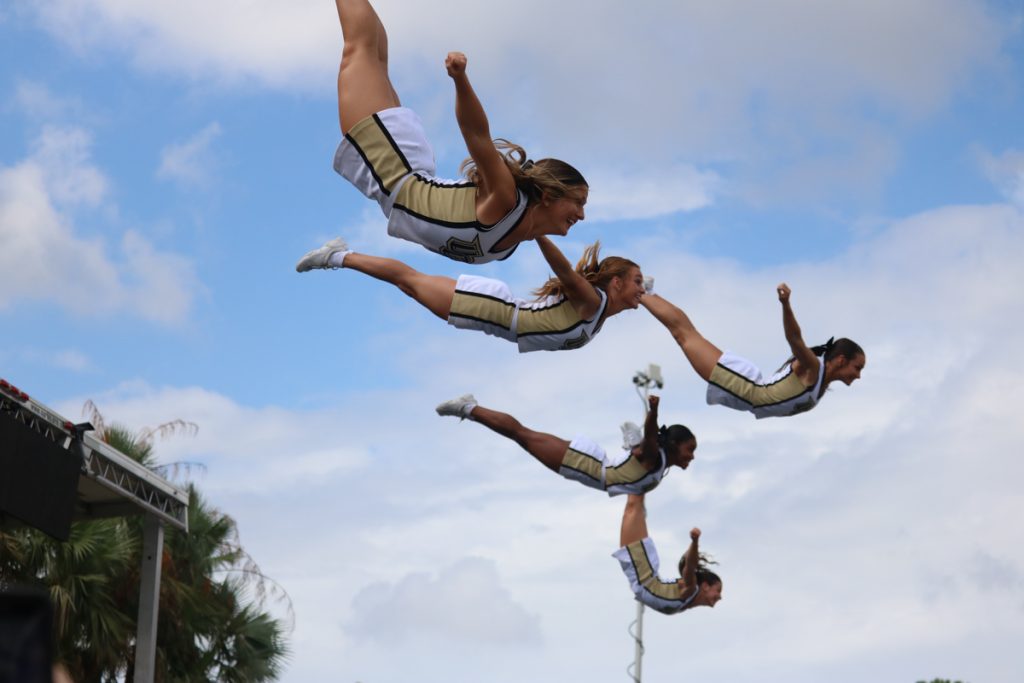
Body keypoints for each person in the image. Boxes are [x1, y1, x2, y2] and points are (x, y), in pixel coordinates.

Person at [329, 0, 588, 264]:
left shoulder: (513, 242)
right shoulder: (504, 197)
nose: (582, 215)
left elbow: (565, 273)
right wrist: (460, 78)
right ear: (548, 196)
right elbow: (476, 135)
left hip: (408, 168)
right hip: (393, 170)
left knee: (372, 54)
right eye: (578, 202)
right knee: (360, 47)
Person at [296, 235, 645, 352]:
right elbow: (565, 271)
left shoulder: (600, 312)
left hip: (495, 318)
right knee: (409, 281)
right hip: (495, 310)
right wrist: (537, 232)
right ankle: (338, 256)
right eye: (637, 281)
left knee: (410, 284)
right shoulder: (593, 301)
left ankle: (339, 256)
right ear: (615, 283)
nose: (642, 290)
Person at [641, 283, 865, 418]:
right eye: (857, 367)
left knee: (686, 334)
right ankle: (642, 293)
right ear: (841, 360)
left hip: (746, 395)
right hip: (745, 386)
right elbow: (795, 339)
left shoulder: (821, 383)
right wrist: (785, 304)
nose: (858, 374)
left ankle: (647, 292)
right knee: (685, 334)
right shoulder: (814, 369)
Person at [435, 394, 696, 495]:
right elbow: (651, 436)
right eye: (689, 449)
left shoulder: (660, 463)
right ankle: (468, 407)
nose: (691, 456)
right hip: (586, 464)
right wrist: (653, 411)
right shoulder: (656, 456)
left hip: (593, 467)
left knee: (522, 436)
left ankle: (630, 445)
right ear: (674, 444)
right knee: (521, 435)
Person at [612, 493, 722, 615]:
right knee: (634, 501)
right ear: (706, 586)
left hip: (641, 573)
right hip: (642, 571)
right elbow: (690, 566)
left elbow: (687, 565)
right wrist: (695, 542)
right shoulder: (691, 589)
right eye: (718, 590)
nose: (720, 596)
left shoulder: (688, 601)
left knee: (635, 499)